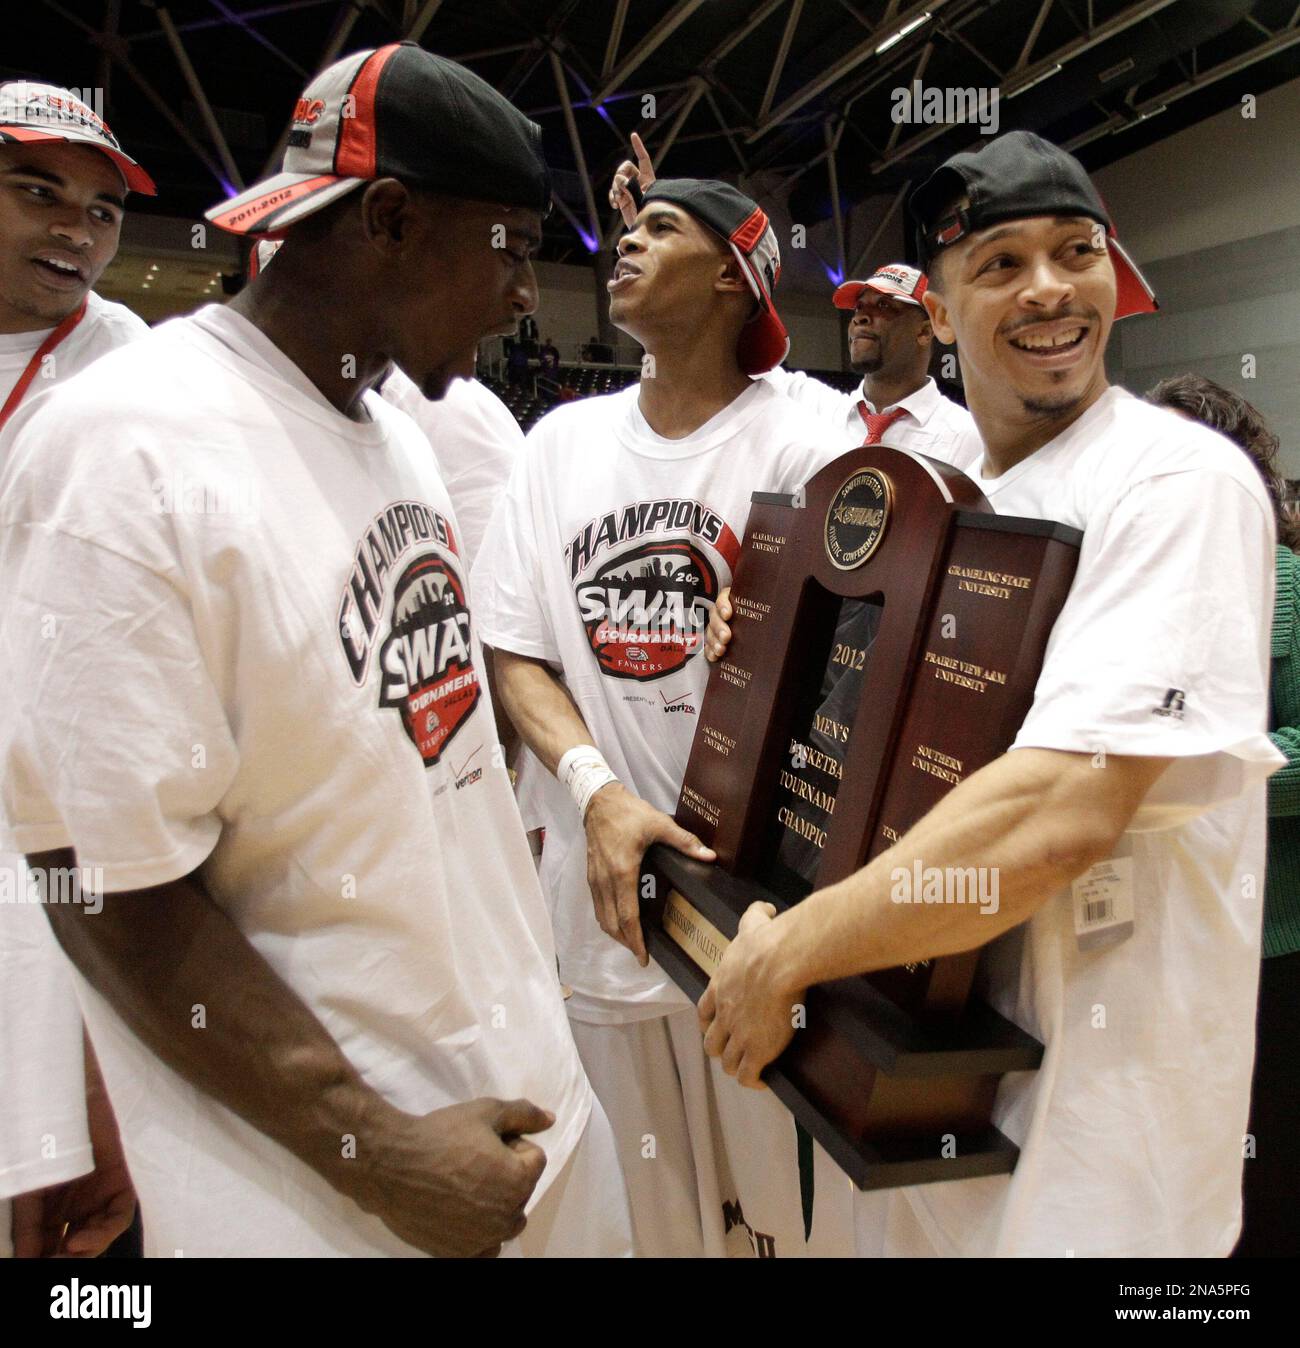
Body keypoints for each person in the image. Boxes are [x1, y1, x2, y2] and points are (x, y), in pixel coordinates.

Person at [0, 42, 630, 1259]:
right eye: (511, 250)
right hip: (335, 1190)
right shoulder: (125, 452)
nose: (525, 299)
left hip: (514, 1112)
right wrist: (376, 1150)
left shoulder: (392, 431)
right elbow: (98, 886)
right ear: (389, 220)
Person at [699, 130, 1280, 1257]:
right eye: (1001, 263)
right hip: (920, 1119)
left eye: (1077, 251)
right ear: (942, 303)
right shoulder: (952, 509)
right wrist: (770, 654)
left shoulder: (1176, 481)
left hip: (1102, 1171)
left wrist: (791, 950)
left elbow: (1059, 812)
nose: (1049, 288)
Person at [471, 169, 852, 1257]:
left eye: (659, 228)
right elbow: (513, 648)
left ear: (737, 278)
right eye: (626, 229)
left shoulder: (810, 434)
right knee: (643, 1233)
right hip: (604, 922)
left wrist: (790, 630)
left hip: (763, 932)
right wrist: (595, 792)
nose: (622, 244)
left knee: (774, 1232)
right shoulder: (558, 445)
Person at [0, 78, 157, 1259]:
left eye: (102, 210)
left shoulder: (128, 364)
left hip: (52, 834)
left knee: (78, 1195)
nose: (76, 229)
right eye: (36, 190)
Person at [1143, 373, 1300, 1258]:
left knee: (1265, 1162)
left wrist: (1202, 779)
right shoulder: (1130, 587)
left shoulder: (1289, 581)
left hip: (1274, 935)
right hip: (1164, 929)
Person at [764, 263, 980, 465]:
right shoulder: (817, 409)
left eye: (883, 305)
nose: (860, 318)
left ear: (924, 331)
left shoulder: (965, 437)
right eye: (858, 307)